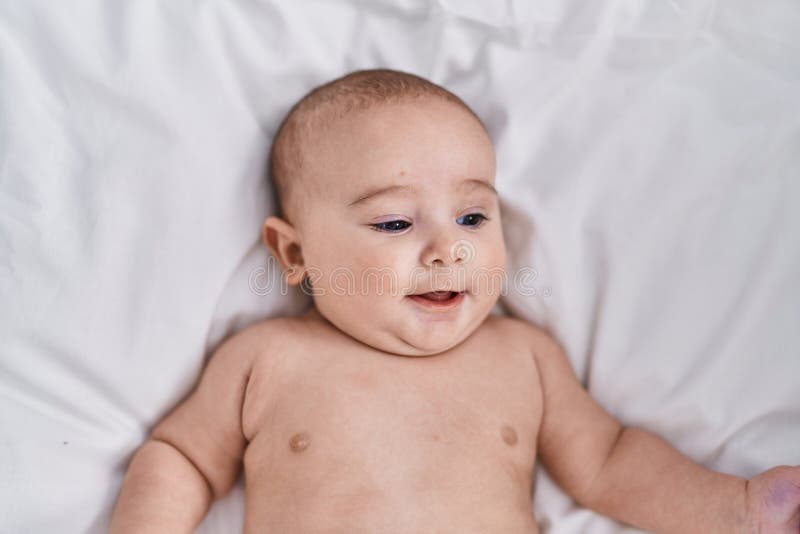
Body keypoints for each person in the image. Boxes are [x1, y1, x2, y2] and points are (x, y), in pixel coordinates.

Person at [109, 69, 800, 533]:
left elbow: (610, 461)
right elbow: (182, 458)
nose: (449, 250)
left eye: (473, 218)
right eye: (394, 223)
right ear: (294, 254)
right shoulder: (267, 358)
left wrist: (735, 507)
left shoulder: (521, 355)